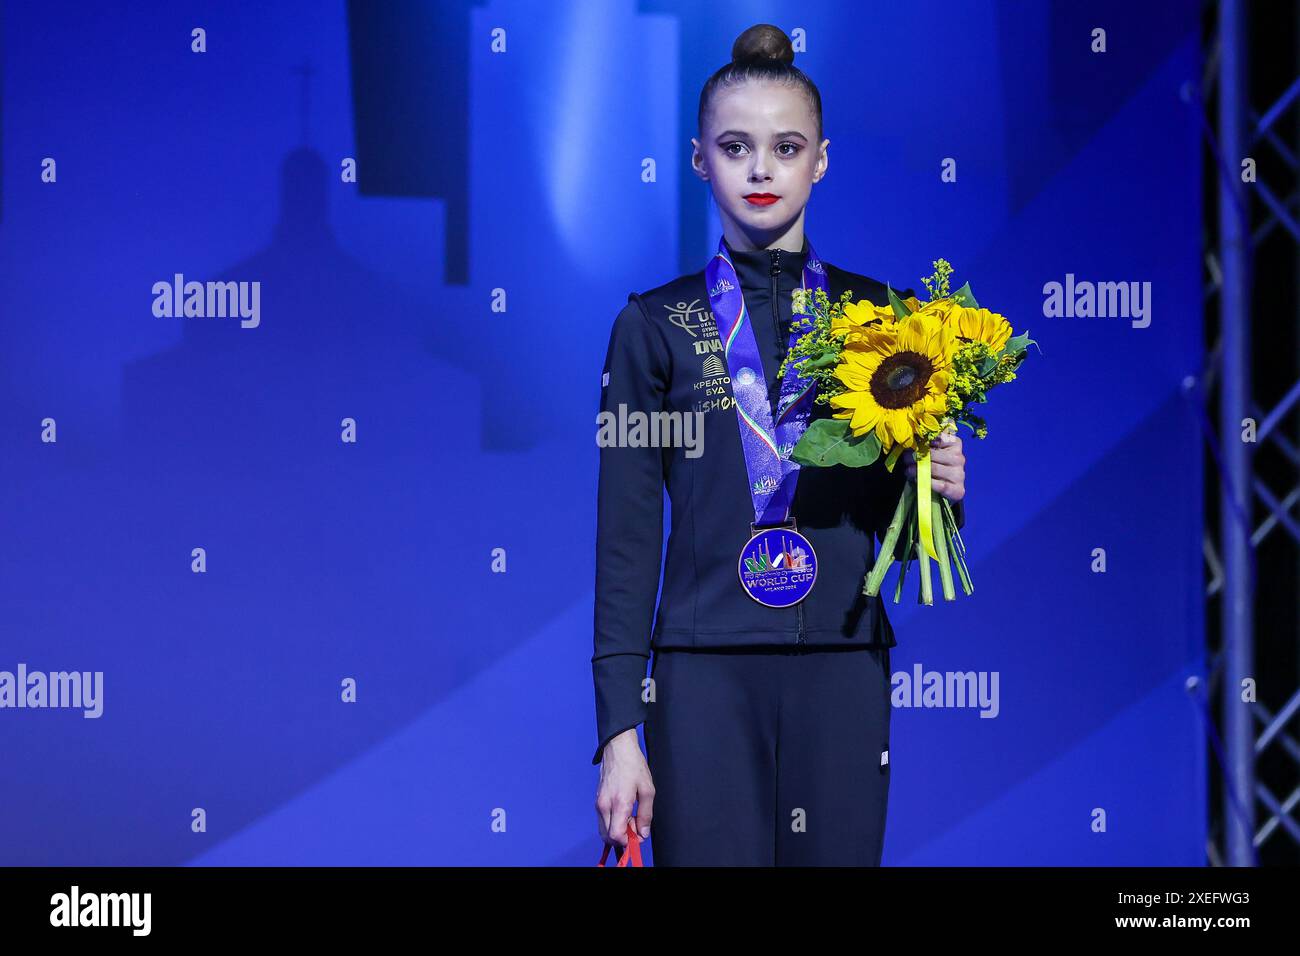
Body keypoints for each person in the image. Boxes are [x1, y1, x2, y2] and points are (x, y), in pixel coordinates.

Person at [592, 23, 968, 866]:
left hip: (843, 664)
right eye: (736, 146)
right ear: (699, 159)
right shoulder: (653, 326)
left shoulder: (890, 324)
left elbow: (900, 537)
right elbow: (624, 539)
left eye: (785, 147)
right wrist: (620, 728)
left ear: (821, 160)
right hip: (700, 678)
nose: (761, 170)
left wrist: (940, 493)